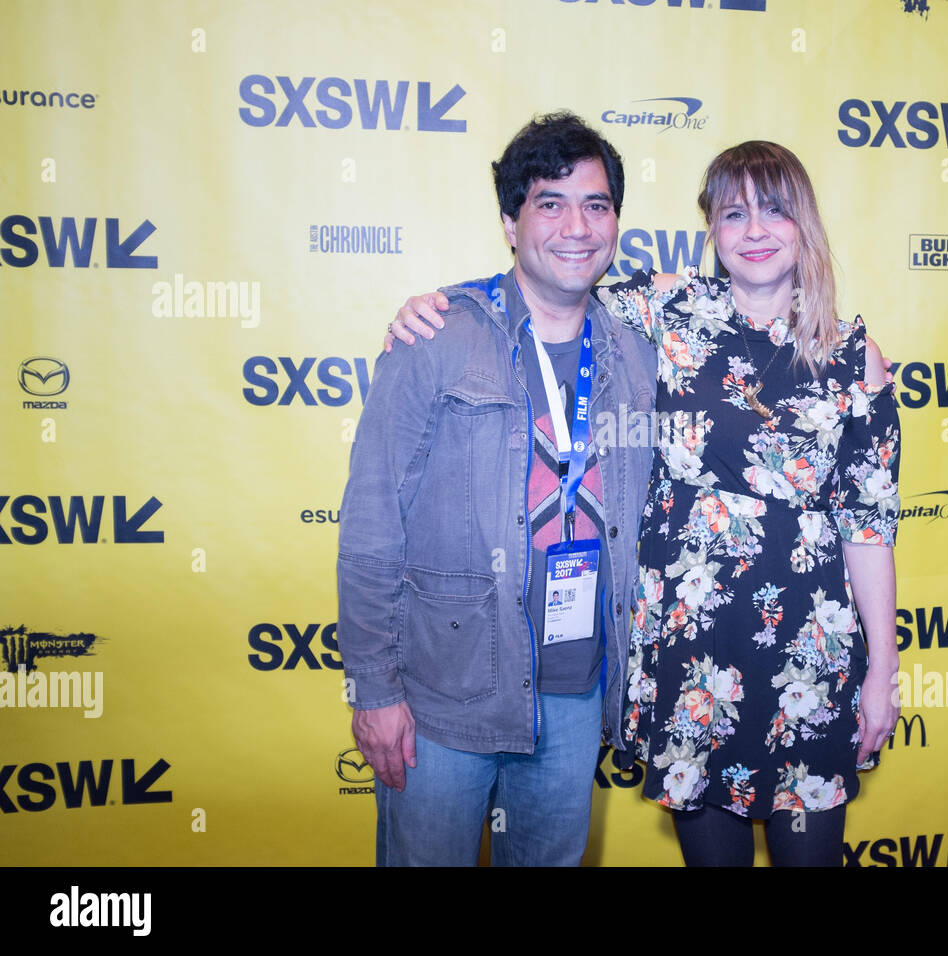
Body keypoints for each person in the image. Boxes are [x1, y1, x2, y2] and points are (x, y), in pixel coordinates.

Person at [387, 140, 901, 867]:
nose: (754, 230)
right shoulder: (668, 310)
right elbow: (550, 282)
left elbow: (869, 531)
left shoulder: (856, 358)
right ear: (713, 232)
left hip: (809, 658)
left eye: (774, 211)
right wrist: (436, 307)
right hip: (693, 656)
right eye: (733, 213)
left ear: (805, 224)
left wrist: (882, 671)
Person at [337, 112, 657, 866]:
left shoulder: (639, 347)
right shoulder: (437, 338)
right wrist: (374, 692)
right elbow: (371, 524)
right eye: (551, 203)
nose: (577, 226)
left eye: (598, 205)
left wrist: (852, 346)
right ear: (511, 223)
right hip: (447, 697)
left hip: (576, 695)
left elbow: (754, 307)